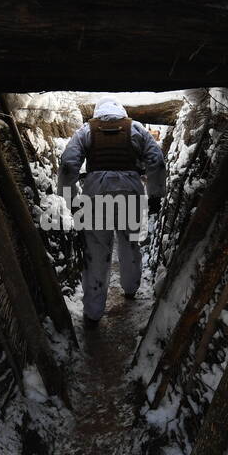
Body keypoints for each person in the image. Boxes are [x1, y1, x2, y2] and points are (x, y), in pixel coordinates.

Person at [58, 97, 166, 326]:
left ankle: (94, 312)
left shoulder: (87, 130)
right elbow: (156, 161)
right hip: (131, 191)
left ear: (98, 113)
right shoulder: (136, 129)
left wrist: (70, 199)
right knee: (130, 244)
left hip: (95, 193)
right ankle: (130, 289)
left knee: (96, 252)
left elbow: (68, 164)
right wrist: (156, 195)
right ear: (122, 111)